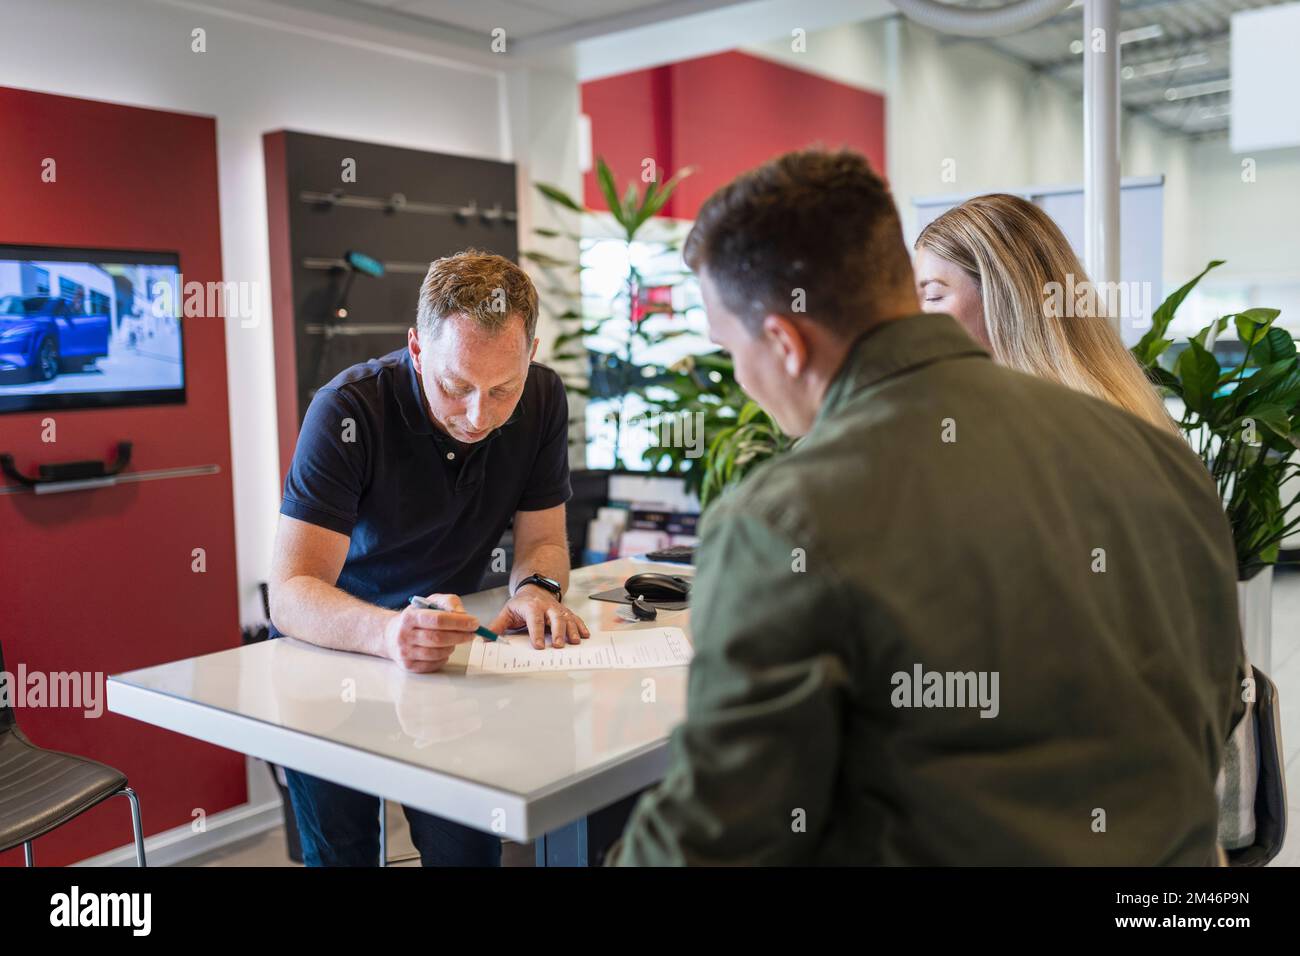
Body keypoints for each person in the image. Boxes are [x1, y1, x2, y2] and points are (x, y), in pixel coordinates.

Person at [609, 149, 1245, 865]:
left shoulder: (785, 518)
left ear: (785, 343)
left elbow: (717, 838)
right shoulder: (1155, 449)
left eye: (728, 350)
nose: (737, 377)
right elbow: (1219, 704)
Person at [268, 249, 590, 866]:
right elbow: (290, 590)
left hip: (445, 662)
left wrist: (537, 589)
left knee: (467, 855)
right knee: (345, 859)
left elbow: (543, 541)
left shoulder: (544, 399)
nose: (478, 414)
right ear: (417, 349)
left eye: (503, 389)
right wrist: (391, 633)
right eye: (455, 385)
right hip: (334, 653)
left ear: (531, 354)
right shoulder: (347, 410)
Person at [913, 192, 1176, 433]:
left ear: (1002, 299)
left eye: (934, 296)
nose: (919, 314)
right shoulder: (1113, 406)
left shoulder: (1042, 426)